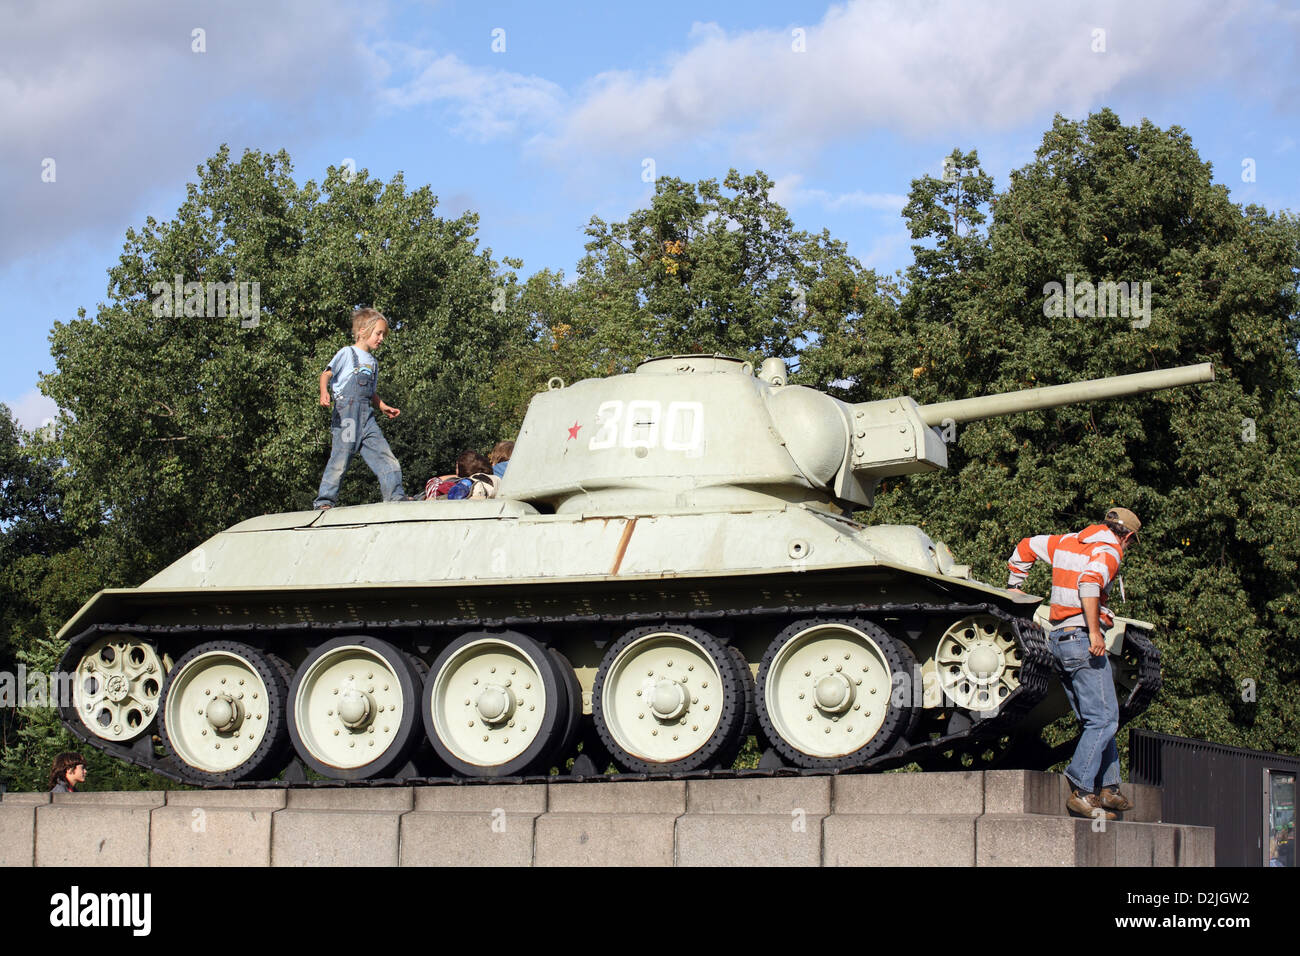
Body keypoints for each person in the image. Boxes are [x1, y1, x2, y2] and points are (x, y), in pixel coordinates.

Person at [1006, 507, 1142, 820]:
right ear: (1129, 536)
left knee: (1093, 717)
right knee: (1106, 717)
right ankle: (1081, 791)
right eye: (1131, 544)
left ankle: (1109, 788)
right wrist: (1095, 631)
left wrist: (1015, 586)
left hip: (1059, 641)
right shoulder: (1108, 551)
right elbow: (1090, 584)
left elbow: (1025, 546)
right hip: (1082, 639)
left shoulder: (1066, 541)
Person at [313, 308, 411, 509]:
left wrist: (383, 406)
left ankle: (395, 497)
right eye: (378, 333)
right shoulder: (347, 353)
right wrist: (324, 392)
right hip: (347, 416)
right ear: (362, 331)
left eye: (383, 334)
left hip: (367, 418)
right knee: (341, 457)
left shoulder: (373, 363)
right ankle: (325, 501)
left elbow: (371, 392)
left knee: (386, 456)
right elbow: (326, 374)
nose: (381, 338)